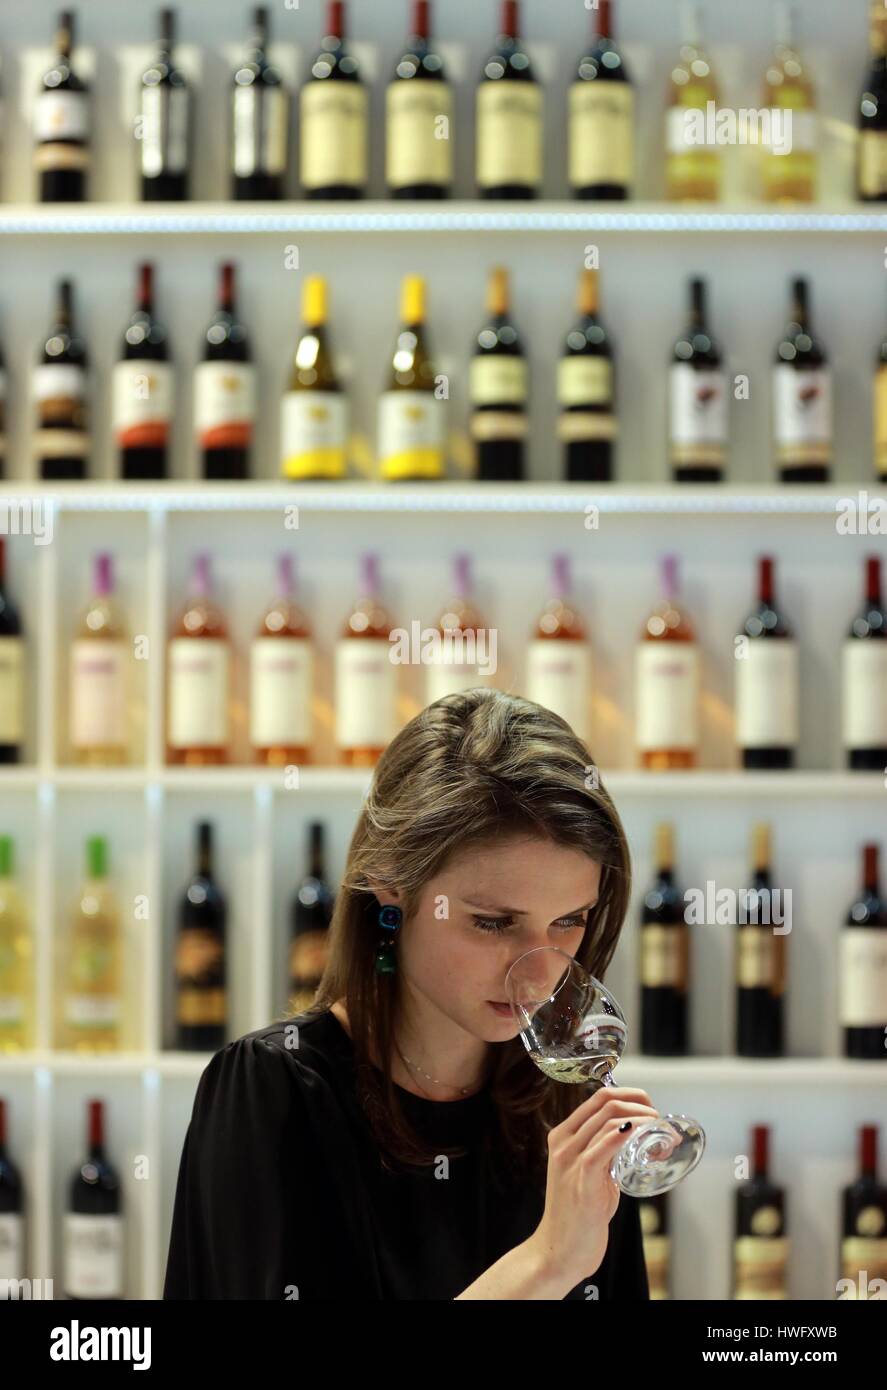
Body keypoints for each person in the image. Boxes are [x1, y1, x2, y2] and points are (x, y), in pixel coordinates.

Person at [163, 687, 656, 1300]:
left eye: (570, 920)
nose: (537, 974)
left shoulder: (567, 1112)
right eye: (494, 922)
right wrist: (545, 1266)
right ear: (389, 884)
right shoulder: (275, 1092)